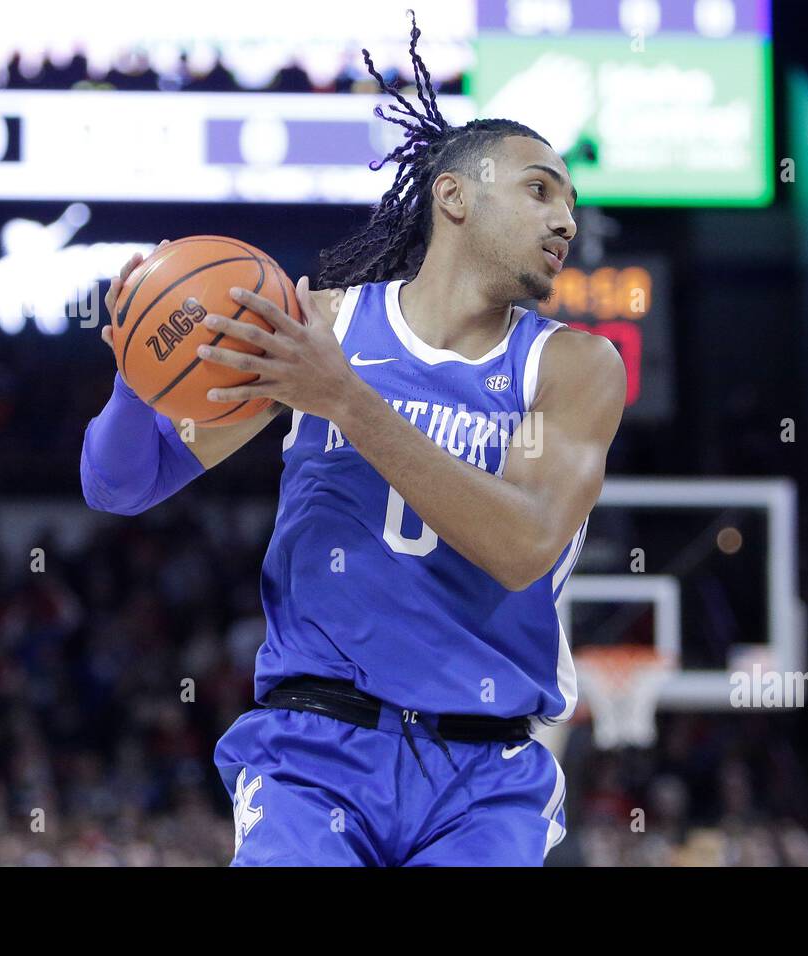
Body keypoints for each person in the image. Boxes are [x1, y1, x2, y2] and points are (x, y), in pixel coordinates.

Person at [80, 13, 625, 866]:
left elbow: (521, 545)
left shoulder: (573, 366)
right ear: (454, 195)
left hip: (487, 776)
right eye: (540, 189)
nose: (565, 220)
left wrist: (346, 399)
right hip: (314, 752)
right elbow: (123, 483)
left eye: (571, 203)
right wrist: (132, 376)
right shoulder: (323, 323)